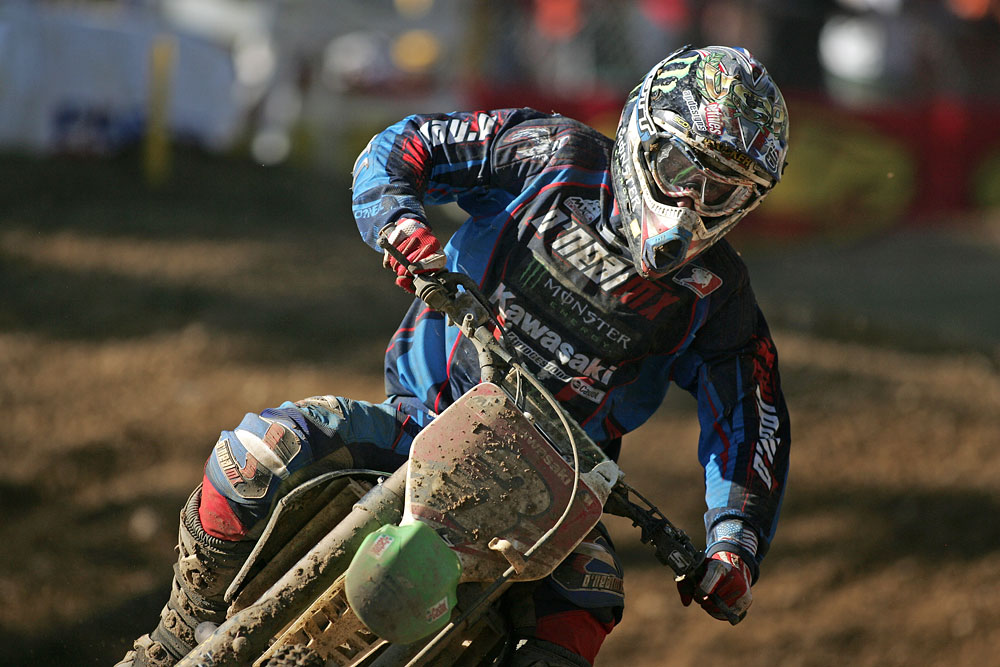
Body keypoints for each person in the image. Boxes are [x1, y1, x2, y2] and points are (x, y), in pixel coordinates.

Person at [118, 45, 791, 667]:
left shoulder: (718, 293)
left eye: (722, 192)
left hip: (552, 505)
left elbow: (752, 415)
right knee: (257, 455)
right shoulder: (553, 155)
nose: (693, 204)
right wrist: (400, 224)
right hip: (417, 424)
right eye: (681, 172)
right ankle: (176, 633)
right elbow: (403, 145)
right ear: (643, 139)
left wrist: (734, 544)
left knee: (586, 607)